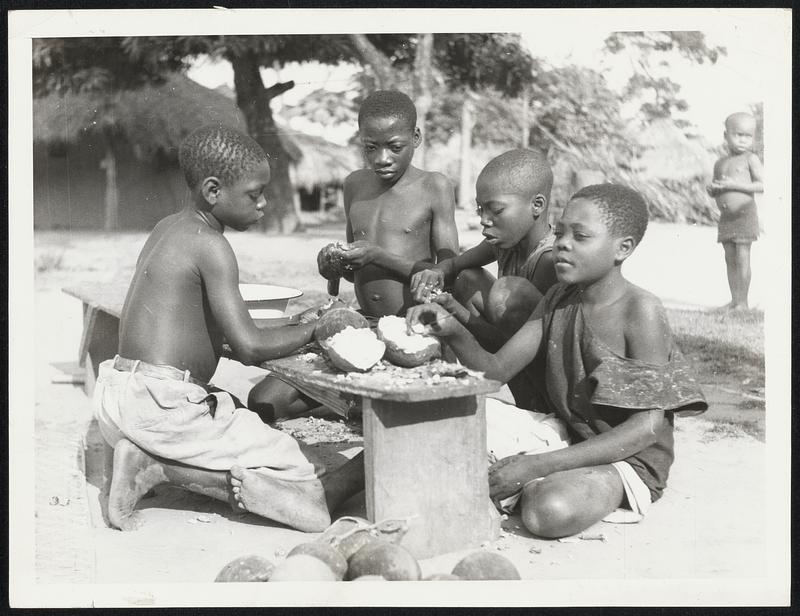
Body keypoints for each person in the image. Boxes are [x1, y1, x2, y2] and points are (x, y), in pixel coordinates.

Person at [93, 125, 363, 533]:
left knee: (237, 414)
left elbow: (216, 328)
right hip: (161, 409)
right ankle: (156, 468)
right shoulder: (213, 246)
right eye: (255, 194)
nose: (263, 204)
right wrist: (318, 330)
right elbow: (251, 346)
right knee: (299, 463)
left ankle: (154, 458)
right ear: (214, 190)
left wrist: (298, 322)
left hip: (119, 399)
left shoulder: (169, 227)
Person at [407, 184, 707, 539]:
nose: (562, 243)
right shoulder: (558, 297)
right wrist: (452, 329)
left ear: (623, 248)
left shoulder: (640, 310)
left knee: (548, 510)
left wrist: (536, 464)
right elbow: (496, 371)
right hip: (566, 437)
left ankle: (534, 484)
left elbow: (646, 428)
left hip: (627, 460)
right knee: (430, 419)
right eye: (561, 232)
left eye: (580, 236)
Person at [249, 89, 459, 419]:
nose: (382, 159)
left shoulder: (434, 187)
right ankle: (359, 405)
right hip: (362, 327)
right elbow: (354, 269)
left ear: (415, 137)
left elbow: (448, 269)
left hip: (411, 332)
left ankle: (364, 404)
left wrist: (378, 255)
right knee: (266, 401)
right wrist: (332, 266)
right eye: (370, 148)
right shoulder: (354, 185)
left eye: (394, 147)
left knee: (398, 402)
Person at [410, 148, 558, 407]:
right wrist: (438, 276)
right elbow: (454, 265)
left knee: (507, 292)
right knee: (467, 278)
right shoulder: (503, 242)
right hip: (511, 351)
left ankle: (537, 406)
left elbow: (533, 345)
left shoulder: (549, 261)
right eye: (480, 210)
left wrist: (455, 324)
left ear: (537, 205)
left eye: (495, 210)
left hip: (546, 376)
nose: (484, 221)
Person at [706, 112, 764, 310]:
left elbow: (762, 185)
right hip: (727, 218)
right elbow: (719, 188)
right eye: (737, 134)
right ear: (726, 135)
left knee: (742, 257)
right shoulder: (720, 163)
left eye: (747, 136)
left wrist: (735, 184)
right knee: (729, 258)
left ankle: (744, 303)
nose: (742, 140)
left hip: (744, 216)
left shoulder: (751, 159)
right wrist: (713, 191)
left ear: (753, 138)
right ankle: (734, 300)